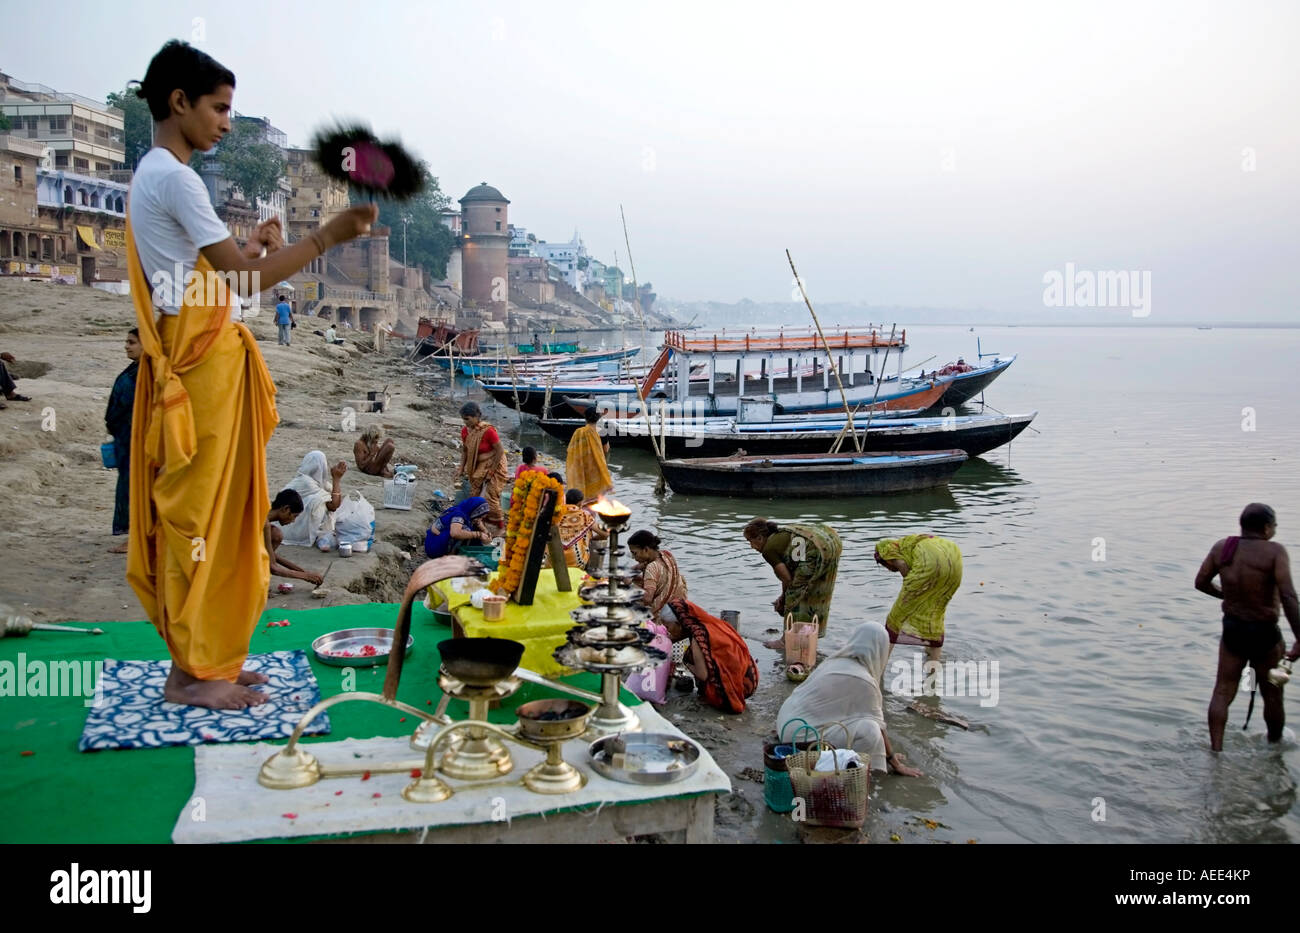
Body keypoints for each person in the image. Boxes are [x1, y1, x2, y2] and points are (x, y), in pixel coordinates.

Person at [123, 39, 378, 709]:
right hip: (201, 365)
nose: (228, 123)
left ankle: (199, 665)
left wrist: (259, 247)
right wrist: (326, 237)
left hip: (201, 353)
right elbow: (237, 277)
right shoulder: (174, 177)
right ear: (179, 103)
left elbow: (217, 274)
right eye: (219, 108)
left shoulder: (158, 175)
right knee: (202, 521)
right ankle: (195, 676)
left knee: (209, 516)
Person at [1196, 503, 1300, 750]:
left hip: (1233, 630)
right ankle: (1274, 748)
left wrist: (1229, 597)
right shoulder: (1274, 552)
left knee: (1222, 692)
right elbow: (1288, 596)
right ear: (1266, 528)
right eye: (1274, 526)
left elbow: (1201, 582)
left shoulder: (1223, 548)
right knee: (1272, 694)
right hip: (1264, 633)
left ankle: (1216, 751)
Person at [777, 622, 923, 776]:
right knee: (871, 730)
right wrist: (895, 762)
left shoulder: (834, 661)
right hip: (799, 738)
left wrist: (885, 752)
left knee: (862, 719)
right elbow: (879, 728)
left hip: (787, 724)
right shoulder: (864, 680)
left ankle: (879, 755)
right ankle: (863, 771)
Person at [744, 518, 842, 640]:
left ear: (759, 538)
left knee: (794, 594)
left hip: (815, 549)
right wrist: (782, 596)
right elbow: (789, 575)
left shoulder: (768, 550)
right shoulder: (780, 535)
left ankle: (787, 640)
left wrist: (784, 601)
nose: (751, 546)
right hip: (831, 540)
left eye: (750, 541)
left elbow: (788, 580)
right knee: (816, 589)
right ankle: (810, 635)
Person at [874, 534, 963, 662]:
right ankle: (933, 664)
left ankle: (879, 667)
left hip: (930, 561)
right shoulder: (909, 544)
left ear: (885, 560)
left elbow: (902, 565)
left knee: (895, 618)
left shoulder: (888, 550)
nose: (889, 570)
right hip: (955, 562)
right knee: (935, 612)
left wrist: (908, 596)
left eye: (885, 566)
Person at [663, 598, 758, 713]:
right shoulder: (709, 623)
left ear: (678, 623)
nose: (667, 631)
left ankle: (712, 693)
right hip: (749, 678)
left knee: (688, 654)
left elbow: (703, 675)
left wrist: (685, 662)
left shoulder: (698, 637)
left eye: (668, 627)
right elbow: (676, 637)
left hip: (736, 688)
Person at [105, 329, 142, 552]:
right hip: (126, 437)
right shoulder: (136, 369)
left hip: (138, 438)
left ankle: (135, 539)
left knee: (136, 486)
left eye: (132, 342)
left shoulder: (145, 373)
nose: (127, 346)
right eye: (126, 342)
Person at [455, 401, 508, 528]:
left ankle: (499, 526)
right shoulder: (465, 431)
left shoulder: (488, 431)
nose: (465, 422)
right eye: (463, 419)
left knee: (490, 495)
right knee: (476, 494)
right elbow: (465, 450)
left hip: (495, 462)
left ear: (476, 417)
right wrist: (461, 468)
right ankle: (480, 523)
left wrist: (491, 471)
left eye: (467, 419)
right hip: (478, 465)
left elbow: (500, 450)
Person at [279, 451, 347, 547]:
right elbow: (334, 505)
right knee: (318, 501)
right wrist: (336, 479)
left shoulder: (317, 482)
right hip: (291, 527)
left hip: (291, 523)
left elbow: (336, 499)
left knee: (323, 498)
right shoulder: (306, 483)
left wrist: (336, 478)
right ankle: (313, 534)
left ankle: (320, 535)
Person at [264, 490, 323, 586]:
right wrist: (305, 576)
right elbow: (273, 568)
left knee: (276, 534)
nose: (293, 521)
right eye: (294, 516)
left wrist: (304, 572)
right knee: (275, 534)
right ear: (286, 509)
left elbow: (270, 555)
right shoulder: (264, 523)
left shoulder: (265, 511)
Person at [628, 530, 687, 621]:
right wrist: (635, 569)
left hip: (661, 617)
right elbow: (659, 581)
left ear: (646, 549)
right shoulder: (666, 555)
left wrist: (629, 586)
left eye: (635, 553)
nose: (634, 558)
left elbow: (647, 598)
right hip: (677, 608)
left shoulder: (651, 567)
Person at [546, 488, 609, 570]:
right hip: (577, 564)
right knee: (587, 530)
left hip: (552, 563)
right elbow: (605, 534)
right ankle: (593, 569)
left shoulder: (556, 513)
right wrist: (592, 539)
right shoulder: (583, 515)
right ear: (580, 503)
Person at [566, 407, 613, 501]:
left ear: (585, 418)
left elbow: (571, 450)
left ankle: (580, 508)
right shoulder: (601, 431)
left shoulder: (578, 432)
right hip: (596, 465)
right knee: (596, 495)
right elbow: (606, 449)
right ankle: (591, 512)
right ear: (599, 417)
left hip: (581, 465)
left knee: (581, 491)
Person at [424, 496, 493, 558]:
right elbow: (455, 533)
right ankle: (450, 558)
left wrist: (485, 531)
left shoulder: (466, 511)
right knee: (466, 530)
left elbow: (479, 523)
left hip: (440, 538)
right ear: (475, 511)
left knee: (473, 527)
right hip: (435, 546)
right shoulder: (459, 515)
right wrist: (478, 535)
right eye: (480, 516)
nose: (480, 519)